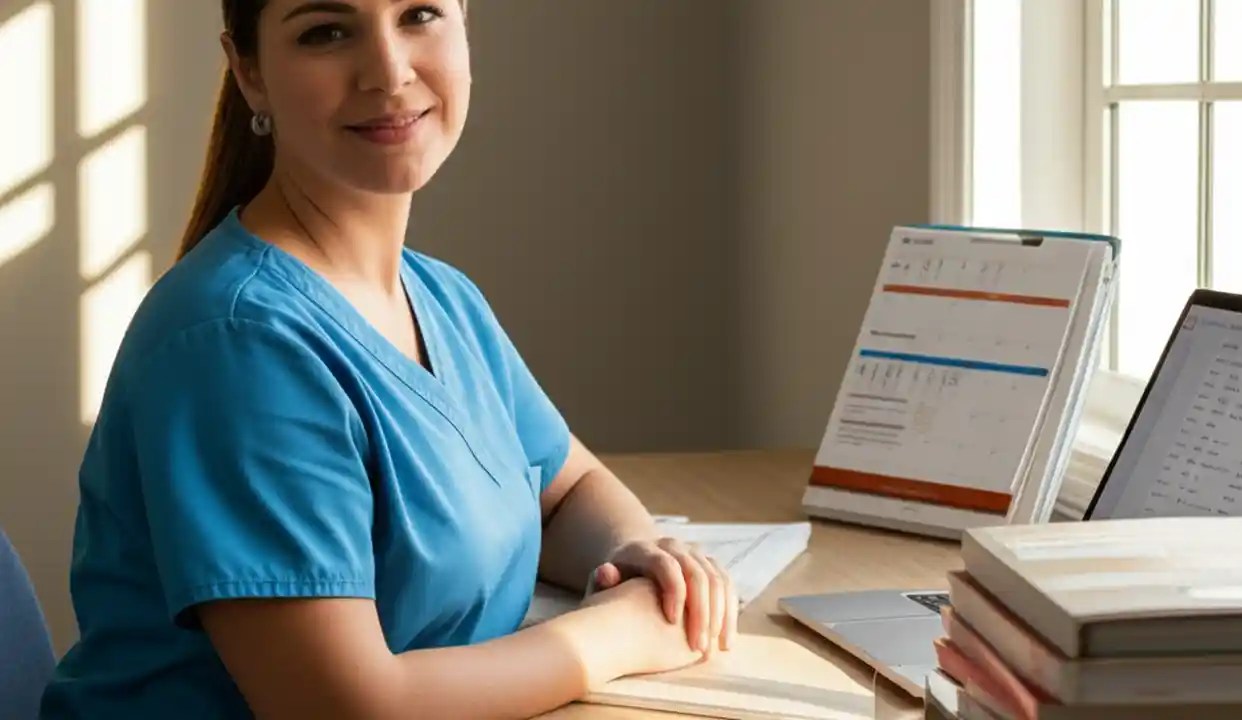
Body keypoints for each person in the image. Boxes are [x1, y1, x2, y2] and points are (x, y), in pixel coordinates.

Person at [40, 1, 737, 717]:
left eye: (420, 15)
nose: (389, 70)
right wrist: (615, 638)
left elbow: (565, 491)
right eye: (326, 32)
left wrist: (637, 554)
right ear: (249, 72)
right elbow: (342, 706)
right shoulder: (239, 340)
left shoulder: (439, 295)